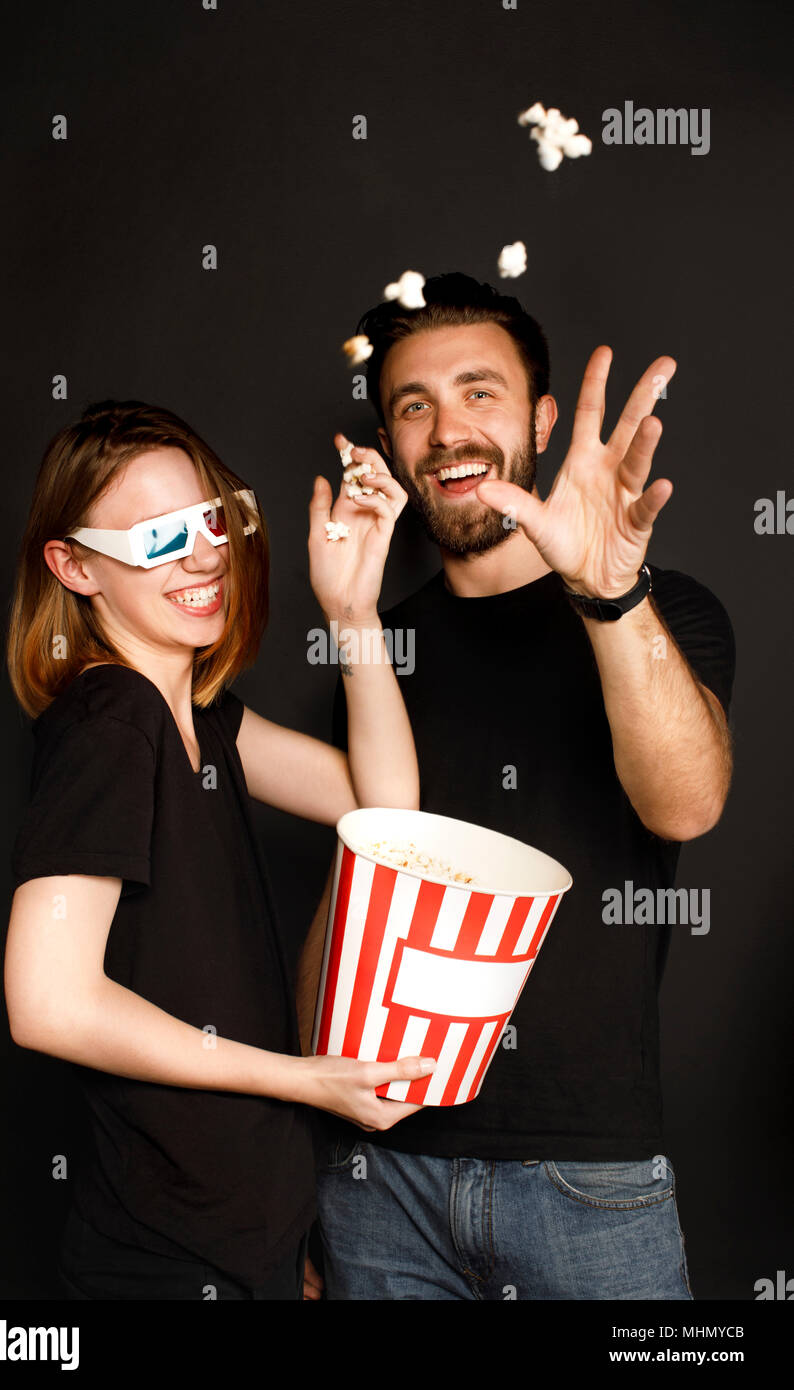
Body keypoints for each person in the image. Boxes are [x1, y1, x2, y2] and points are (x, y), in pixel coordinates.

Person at [300, 273, 735, 1300]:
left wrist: (606, 591)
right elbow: (353, 890)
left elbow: (684, 803)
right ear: (390, 444)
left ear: (541, 419)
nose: (447, 431)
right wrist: (304, 1161)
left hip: (585, 1177)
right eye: (414, 406)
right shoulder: (376, 639)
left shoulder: (659, 608)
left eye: (478, 392)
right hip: (380, 1175)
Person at [4, 399, 436, 1301]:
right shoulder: (109, 722)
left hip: (248, 1252)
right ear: (74, 565)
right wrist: (309, 1082)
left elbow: (386, 810)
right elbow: (46, 1003)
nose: (205, 555)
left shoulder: (200, 719)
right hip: (163, 1266)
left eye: (208, 519)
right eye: (158, 536)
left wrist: (352, 609)